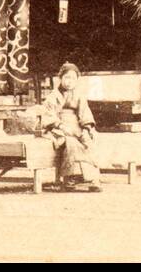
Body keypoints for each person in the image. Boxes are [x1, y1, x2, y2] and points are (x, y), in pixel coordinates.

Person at [41, 62, 101, 192]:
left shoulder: (80, 96)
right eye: (67, 78)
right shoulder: (52, 97)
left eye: (73, 78)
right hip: (58, 128)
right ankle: (71, 177)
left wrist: (86, 129)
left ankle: (92, 178)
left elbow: (85, 113)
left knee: (88, 141)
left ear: (77, 80)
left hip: (77, 126)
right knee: (70, 142)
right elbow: (48, 115)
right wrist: (60, 125)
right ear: (60, 78)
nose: (69, 82)